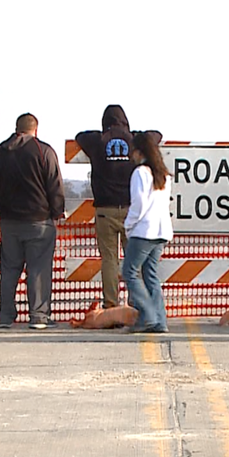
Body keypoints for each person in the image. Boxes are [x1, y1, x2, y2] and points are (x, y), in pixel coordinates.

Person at [75, 105, 162, 309]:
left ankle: (111, 305)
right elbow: (156, 135)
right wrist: (132, 134)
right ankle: (135, 305)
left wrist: (105, 133)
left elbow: (80, 136)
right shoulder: (134, 141)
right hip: (132, 210)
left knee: (109, 260)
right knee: (134, 261)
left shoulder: (97, 141)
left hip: (105, 210)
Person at [0, 113, 66, 329]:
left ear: (16, 128)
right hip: (39, 220)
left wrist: (1, 210)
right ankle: (39, 315)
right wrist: (56, 211)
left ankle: (5, 316)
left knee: (9, 269)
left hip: (9, 221)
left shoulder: (1, 151)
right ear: (35, 130)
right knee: (39, 269)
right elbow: (54, 184)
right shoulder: (43, 151)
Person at [122, 131, 174, 333]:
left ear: (139, 151)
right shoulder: (164, 175)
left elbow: (139, 204)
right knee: (150, 274)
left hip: (144, 231)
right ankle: (160, 320)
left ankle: (148, 316)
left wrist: (129, 225)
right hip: (162, 231)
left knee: (129, 272)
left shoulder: (140, 173)